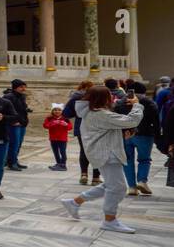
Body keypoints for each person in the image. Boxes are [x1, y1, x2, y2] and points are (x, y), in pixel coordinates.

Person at [61, 85, 145, 233]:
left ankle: (75, 202)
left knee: (111, 185)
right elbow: (131, 120)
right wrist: (137, 105)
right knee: (118, 188)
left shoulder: (91, 112)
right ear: (104, 98)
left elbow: (106, 130)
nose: (112, 98)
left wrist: (120, 134)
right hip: (107, 154)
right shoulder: (100, 114)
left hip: (104, 152)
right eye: (109, 96)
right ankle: (109, 220)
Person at [123, 81, 160, 195]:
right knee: (144, 159)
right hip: (145, 134)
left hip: (125, 134)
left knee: (127, 161)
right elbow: (156, 120)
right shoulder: (149, 102)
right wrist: (157, 134)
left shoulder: (121, 102)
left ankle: (132, 187)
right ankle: (142, 181)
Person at [63, 79, 100, 185]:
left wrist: (77, 112)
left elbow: (66, 114)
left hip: (81, 127)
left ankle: (84, 174)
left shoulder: (75, 97)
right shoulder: (96, 96)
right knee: (96, 151)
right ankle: (96, 178)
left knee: (84, 151)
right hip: (96, 127)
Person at [2, 79, 31, 171]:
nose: (23, 89)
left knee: (18, 144)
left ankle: (15, 160)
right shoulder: (8, 97)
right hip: (13, 124)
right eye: (21, 87)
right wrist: (12, 121)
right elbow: (5, 110)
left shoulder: (22, 96)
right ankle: (11, 163)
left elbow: (21, 109)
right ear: (15, 87)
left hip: (22, 123)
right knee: (13, 144)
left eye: (24, 87)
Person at [43, 103, 71, 170]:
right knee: (55, 152)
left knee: (62, 151)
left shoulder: (65, 119)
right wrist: (51, 124)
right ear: (52, 111)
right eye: (55, 110)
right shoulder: (49, 118)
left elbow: (70, 127)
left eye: (59, 110)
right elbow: (45, 125)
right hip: (53, 138)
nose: (57, 111)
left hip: (62, 139)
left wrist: (65, 125)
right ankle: (58, 163)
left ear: (62, 111)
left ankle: (63, 164)